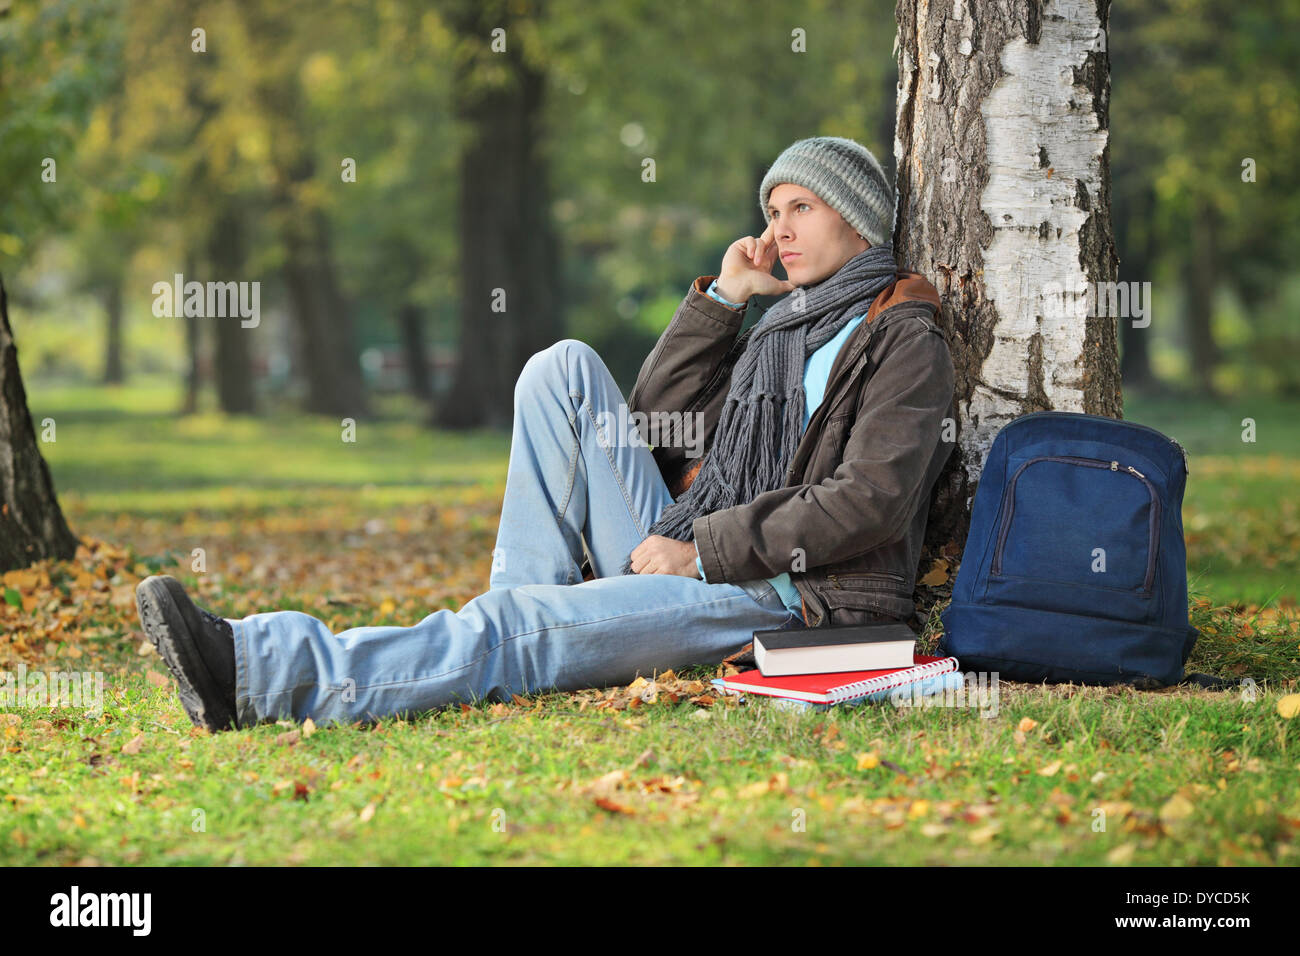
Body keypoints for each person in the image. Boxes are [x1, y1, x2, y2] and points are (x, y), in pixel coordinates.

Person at [135, 135, 956, 732]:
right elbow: (657, 420)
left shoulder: (897, 334)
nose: (778, 228)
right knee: (560, 367)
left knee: (513, 630)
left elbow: (871, 499)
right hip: (692, 543)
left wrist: (704, 548)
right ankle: (518, 624)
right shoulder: (783, 329)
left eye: (800, 207)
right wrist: (726, 302)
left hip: (786, 595)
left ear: (858, 216)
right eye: (772, 211)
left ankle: (256, 669)